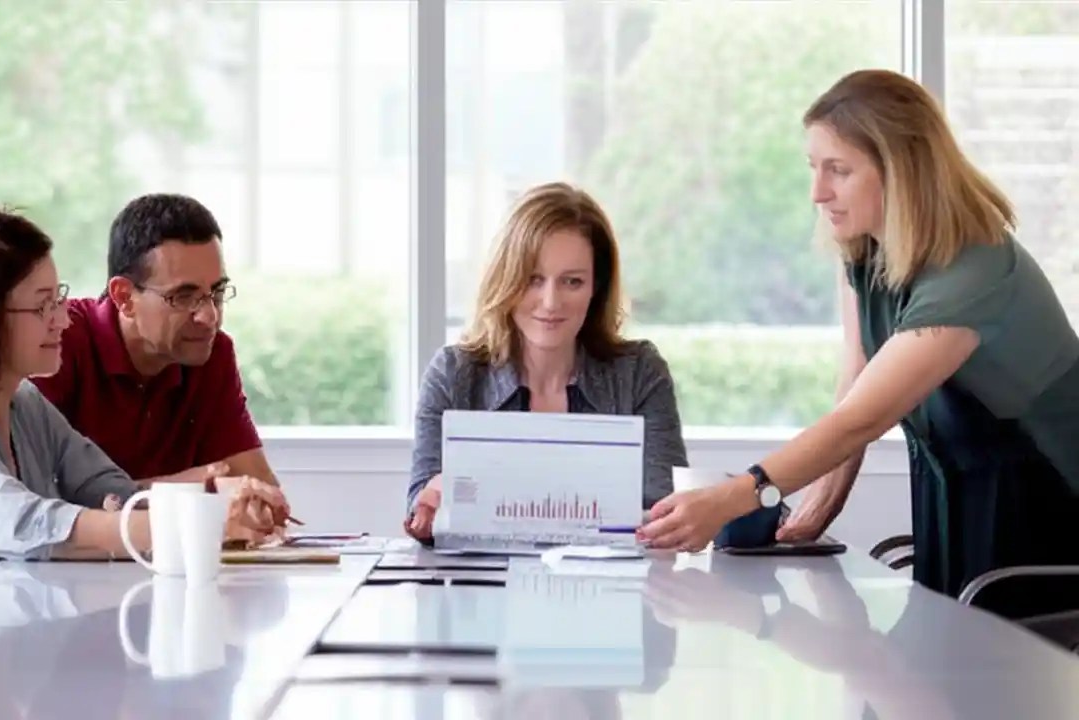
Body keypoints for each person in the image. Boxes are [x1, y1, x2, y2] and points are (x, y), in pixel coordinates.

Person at [637, 69, 1079, 615]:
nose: (817, 192)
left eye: (838, 171)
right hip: (964, 523)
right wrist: (821, 504)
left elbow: (863, 418)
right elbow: (858, 385)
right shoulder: (866, 251)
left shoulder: (975, 274)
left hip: (1043, 532)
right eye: (813, 168)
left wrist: (731, 500)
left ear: (902, 171)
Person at [0, 208, 285, 599]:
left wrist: (215, 496)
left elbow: (113, 493)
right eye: (42, 307)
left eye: (58, 299)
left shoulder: (25, 405)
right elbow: (25, 525)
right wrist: (193, 525)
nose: (62, 318)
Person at [406, 182, 688, 541]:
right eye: (533, 280)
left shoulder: (639, 373)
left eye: (572, 281)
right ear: (505, 279)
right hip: (482, 591)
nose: (551, 302)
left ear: (596, 287)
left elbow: (663, 513)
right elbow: (419, 513)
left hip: (610, 589)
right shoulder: (453, 374)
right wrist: (433, 498)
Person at [30, 193, 282, 490]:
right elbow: (33, 506)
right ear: (124, 297)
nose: (209, 316)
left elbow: (256, 485)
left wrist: (260, 507)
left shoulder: (212, 352)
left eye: (216, 292)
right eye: (184, 296)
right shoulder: (56, 339)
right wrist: (182, 487)